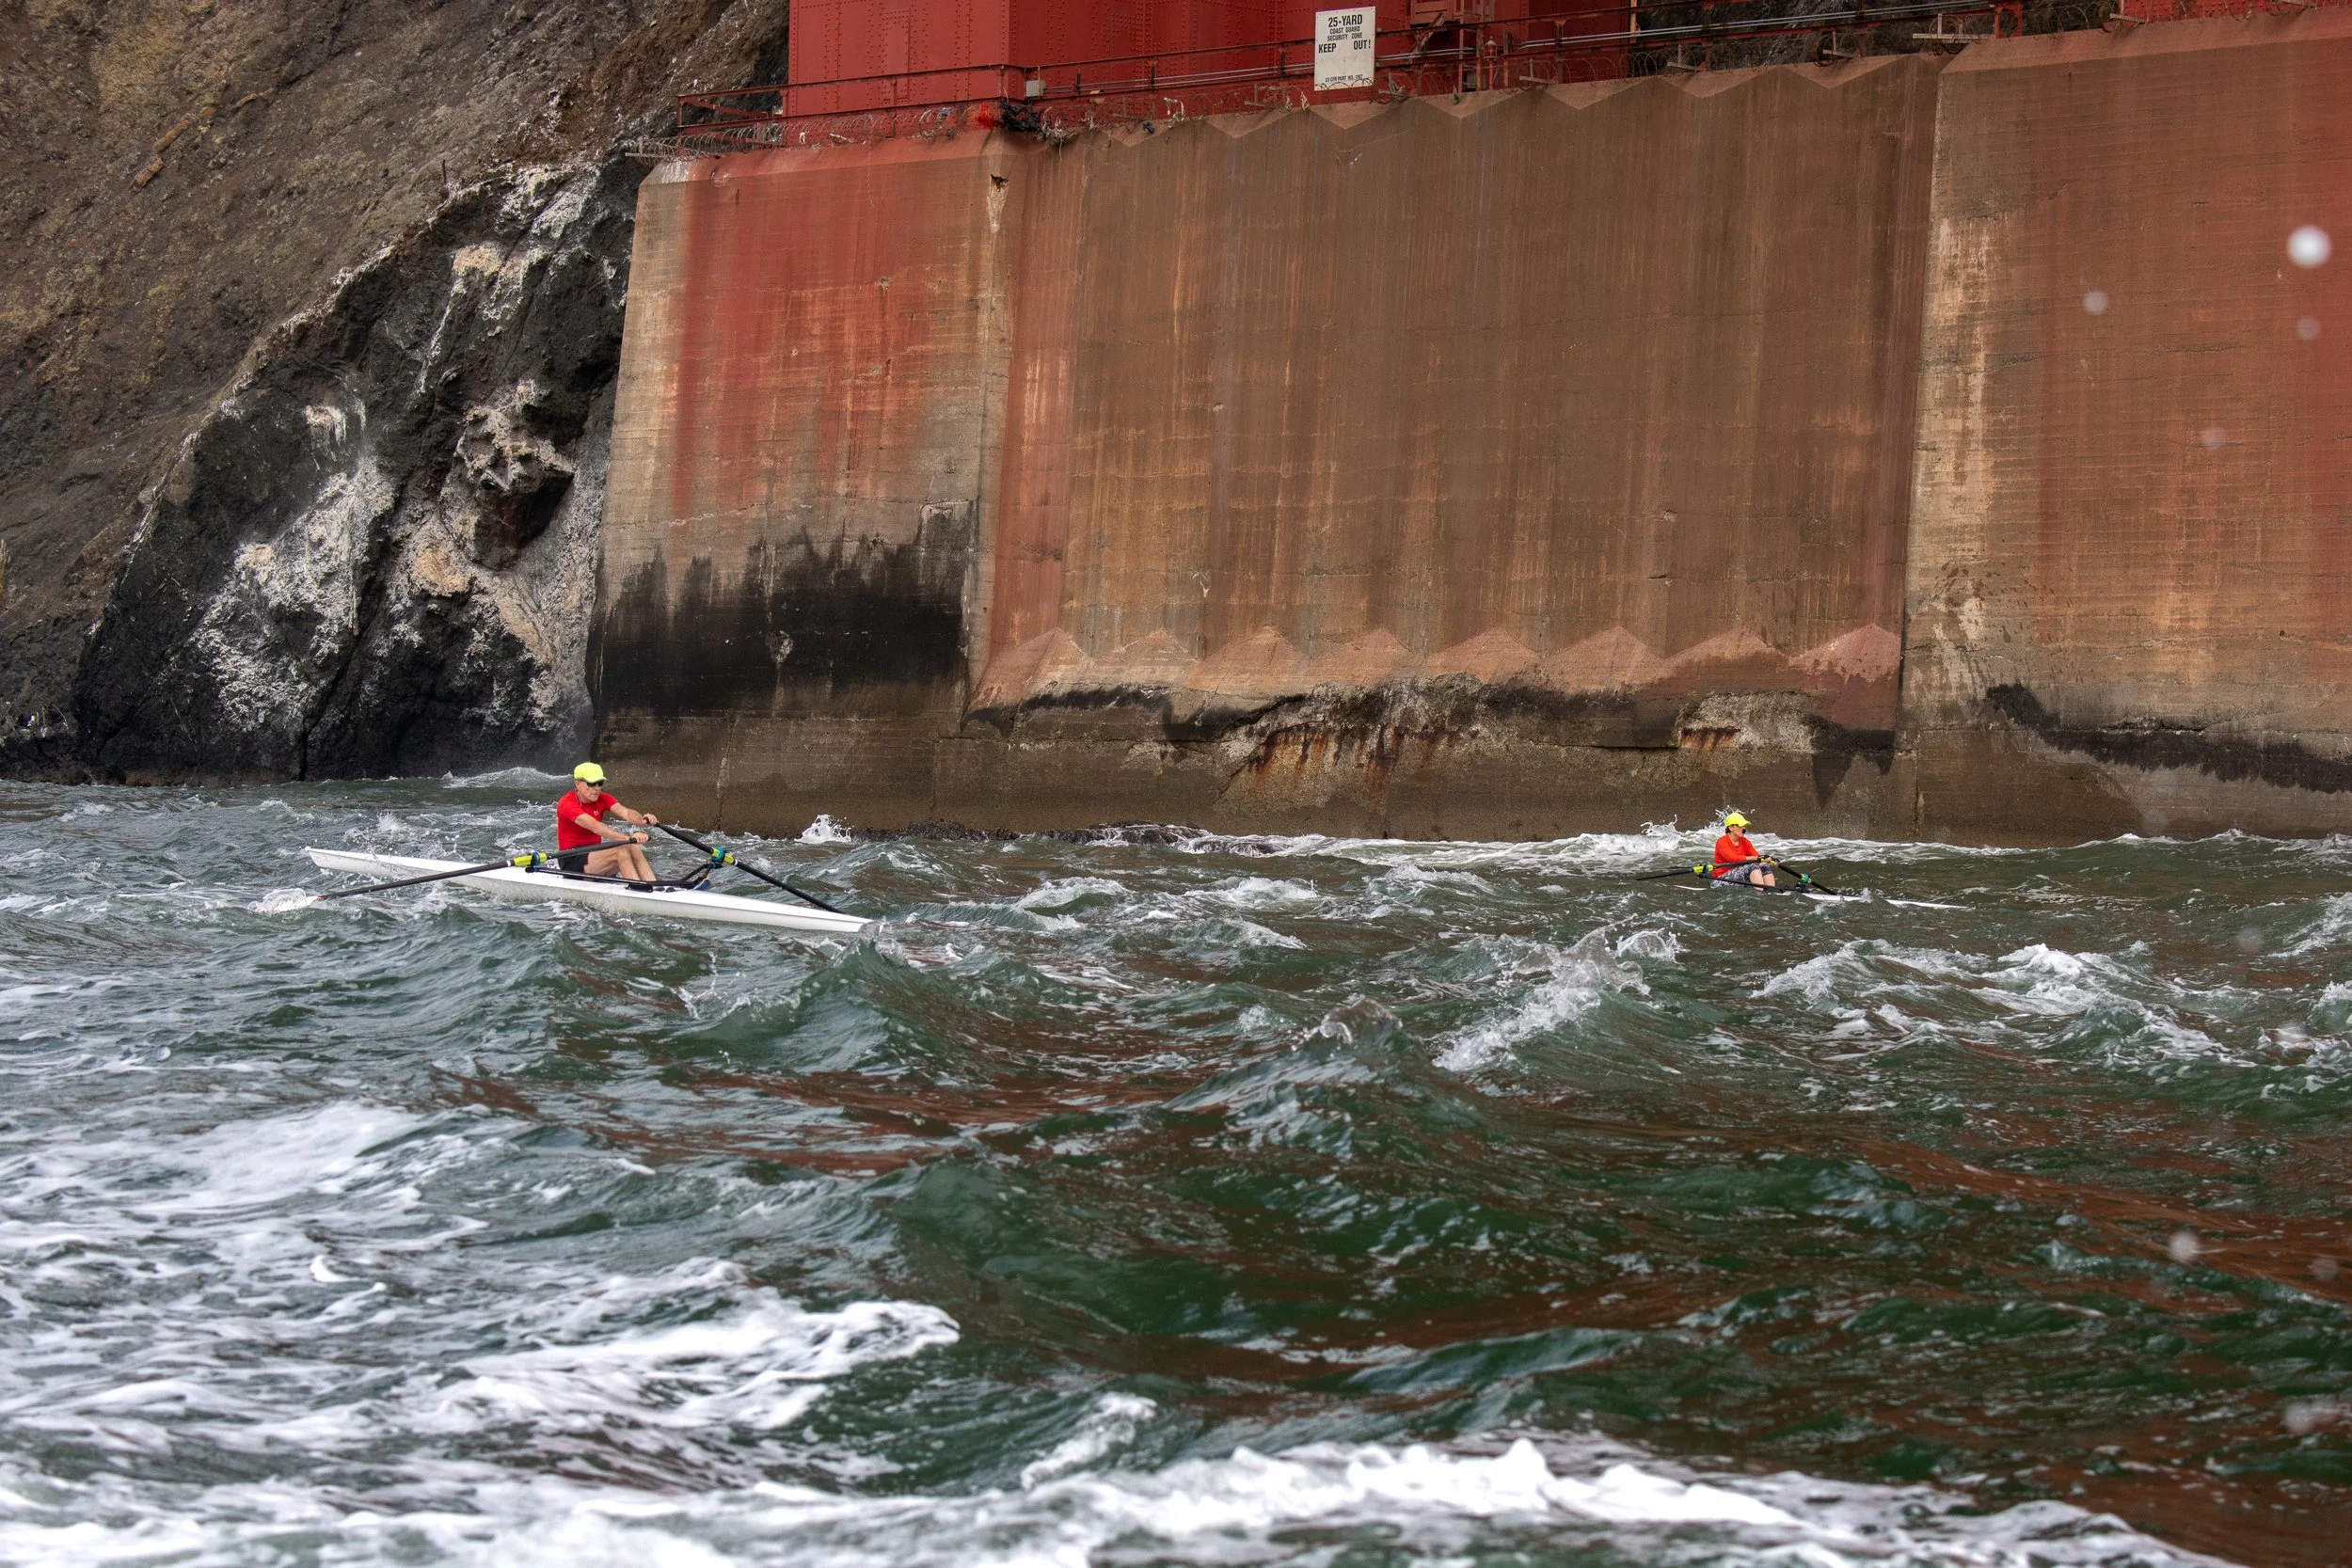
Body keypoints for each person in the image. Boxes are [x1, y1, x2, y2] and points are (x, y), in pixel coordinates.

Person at [555, 763, 662, 882]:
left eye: (599, 783)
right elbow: (595, 827)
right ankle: (637, 888)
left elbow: (626, 813)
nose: (596, 788)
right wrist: (628, 838)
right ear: (577, 784)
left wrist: (642, 820)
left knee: (633, 847)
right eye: (591, 783)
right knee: (621, 851)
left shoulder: (603, 798)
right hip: (571, 860)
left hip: (594, 854)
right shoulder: (567, 803)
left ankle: (654, 886)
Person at [1712, 811, 1775, 888]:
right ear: (1731, 828)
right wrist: (1757, 858)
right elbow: (1733, 859)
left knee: (1764, 865)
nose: (1744, 829)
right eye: (1740, 826)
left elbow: (1758, 857)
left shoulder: (1745, 842)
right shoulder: (1722, 841)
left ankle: (1771, 891)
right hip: (1720, 880)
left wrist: (1769, 860)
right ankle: (1760, 893)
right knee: (1752, 865)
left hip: (1738, 873)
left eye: (1744, 826)